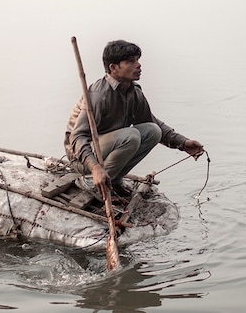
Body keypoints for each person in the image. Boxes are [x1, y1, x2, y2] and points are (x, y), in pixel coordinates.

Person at [65, 40, 204, 200]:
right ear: (113, 68)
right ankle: (90, 182)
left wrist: (183, 143)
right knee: (131, 136)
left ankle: (114, 179)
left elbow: (151, 121)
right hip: (82, 157)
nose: (138, 65)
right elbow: (77, 138)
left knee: (153, 131)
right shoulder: (99, 95)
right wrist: (95, 168)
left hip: (107, 148)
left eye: (137, 60)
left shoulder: (133, 91)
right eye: (130, 61)